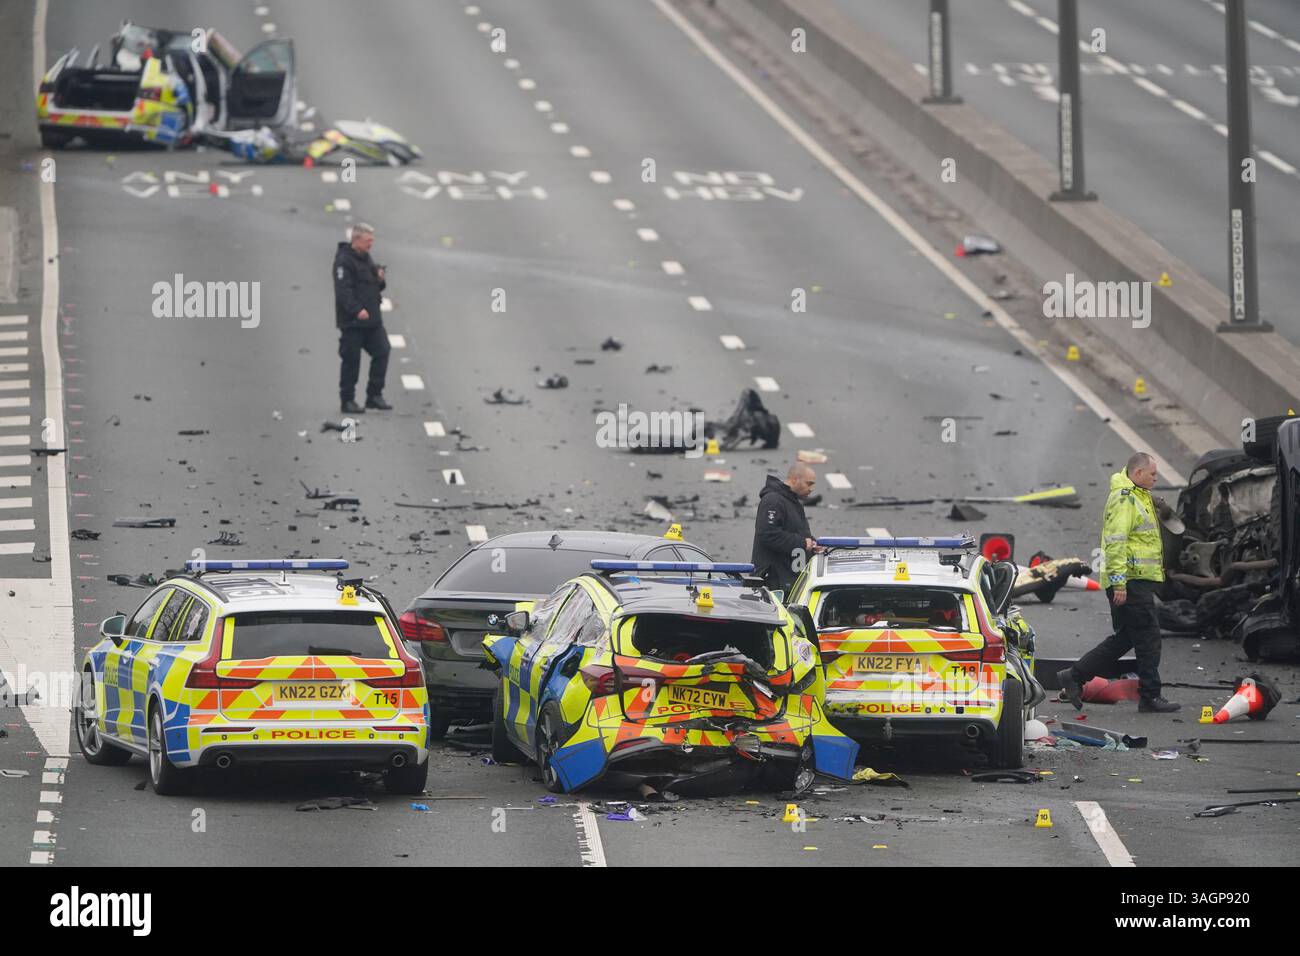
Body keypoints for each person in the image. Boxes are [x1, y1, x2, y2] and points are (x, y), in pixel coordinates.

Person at [1059, 452, 1180, 713]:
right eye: (1152, 474)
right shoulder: (1125, 499)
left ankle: (1075, 675)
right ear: (1137, 474)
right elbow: (1115, 544)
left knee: (1126, 638)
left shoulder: (1139, 494)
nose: (1156, 478)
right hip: (1130, 582)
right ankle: (1150, 696)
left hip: (1135, 580)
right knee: (1149, 639)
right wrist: (1119, 583)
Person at [333, 223, 391, 414]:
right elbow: (344, 292)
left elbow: (374, 285)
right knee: (351, 360)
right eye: (368, 241)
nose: (370, 245)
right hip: (353, 323)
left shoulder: (366, 258)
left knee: (382, 351)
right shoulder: (344, 261)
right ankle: (347, 400)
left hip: (372, 321)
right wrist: (357, 310)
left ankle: (374, 395)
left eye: (372, 241)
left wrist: (380, 278)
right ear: (356, 240)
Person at [751, 463, 824, 594]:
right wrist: (802, 543)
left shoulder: (793, 502)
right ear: (795, 479)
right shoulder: (773, 500)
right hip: (774, 581)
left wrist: (813, 544)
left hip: (790, 578)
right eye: (809, 483)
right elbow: (768, 534)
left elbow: (797, 532)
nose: (812, 488)